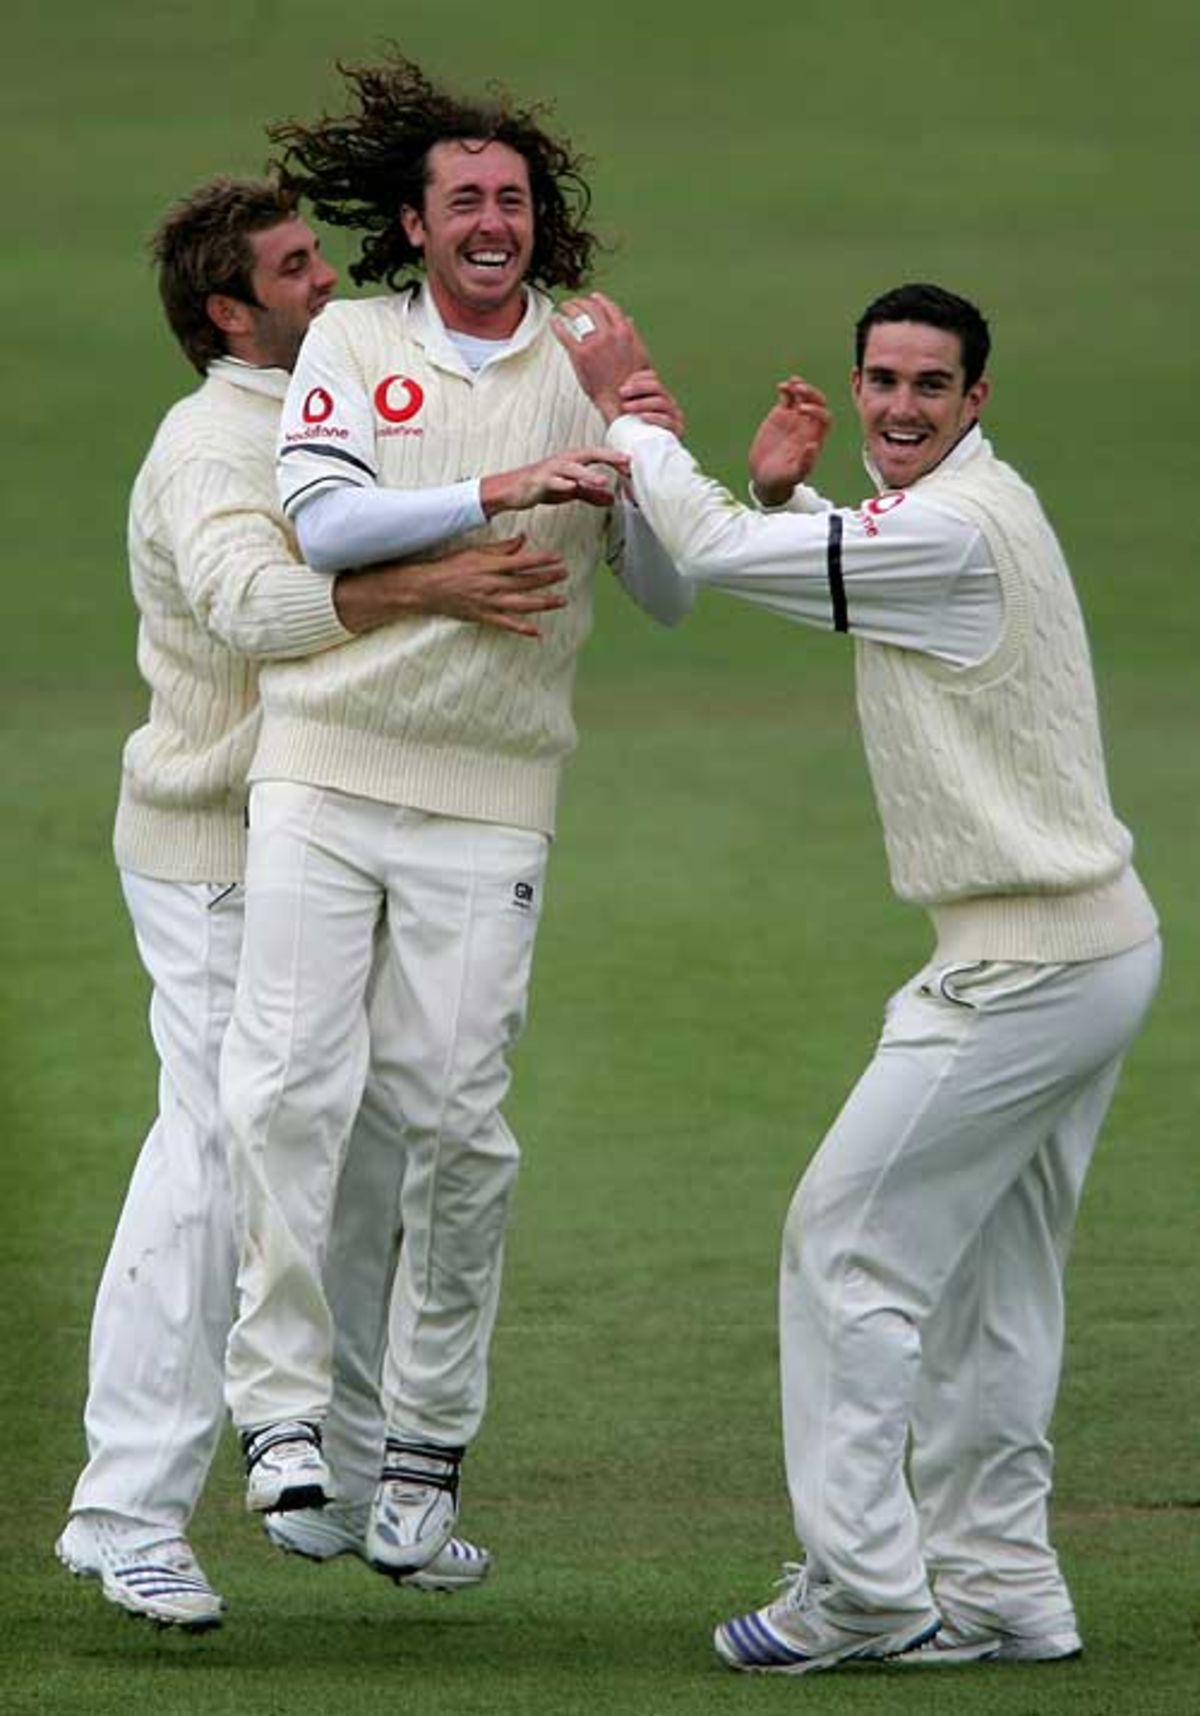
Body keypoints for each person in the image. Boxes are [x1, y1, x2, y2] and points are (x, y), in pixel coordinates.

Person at [553, 283, 1160, 1672]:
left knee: (844, 1249)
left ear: (975, 402)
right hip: (1088, 945)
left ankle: (868, 1593)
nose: (895, 407)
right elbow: (840, 560)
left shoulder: (956, 524)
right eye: (879, 379)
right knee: (995, 1285)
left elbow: (701, 551)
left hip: (1028, 961)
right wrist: (792, 496)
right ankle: (1001, 1586)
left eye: (928, 388)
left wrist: (627, 413)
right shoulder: (959, 513)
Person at [57, 175, 566, 1631]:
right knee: (223, 1149)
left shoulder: (331, 394)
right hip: (214, 836)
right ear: (230, 311)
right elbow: (254, 608)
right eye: (294, 268)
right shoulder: (210, 441)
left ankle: (337, 1473)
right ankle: (126, 1511)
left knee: (352, 1145)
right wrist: (436, 586)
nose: (328, 280)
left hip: (320, 826)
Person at [218, 54, 688, 1580]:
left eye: (515, 199)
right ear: (414, 229)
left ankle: (422, 1450)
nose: (494, 219)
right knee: (289, 1084)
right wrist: (502, 487)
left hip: (493, 798)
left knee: (455, 1128)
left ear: (539, 223)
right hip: (325, 765)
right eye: (464, 200)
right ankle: (282, 1418)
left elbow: (669, 596)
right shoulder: (350, 340)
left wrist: (639, 433)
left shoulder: (588, 352)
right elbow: (328, 522)